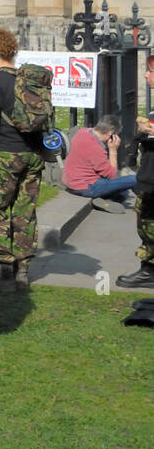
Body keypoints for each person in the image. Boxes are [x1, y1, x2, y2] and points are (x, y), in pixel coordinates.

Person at [0, 28, 44, 293]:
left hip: (4, 154)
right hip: (32, 155)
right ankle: (23, 270)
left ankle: (3, 272)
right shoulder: (29, 80)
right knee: (25, 210)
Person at [116, 57, 154, 290]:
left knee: (149, 225)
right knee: (146, 225)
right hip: (148, 176)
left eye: (150, 71)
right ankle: (148, 269)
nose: (146, 76)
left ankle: (149, 271)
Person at [62, 115, 134, 213]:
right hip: (86, 186)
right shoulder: (96, 148)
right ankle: (144, 205)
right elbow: (112, 176)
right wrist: (113, 150)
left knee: (124, 192)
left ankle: (103, 199)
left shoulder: (83, 132)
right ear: (111, 134)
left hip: (71, 183)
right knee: (135, 179)